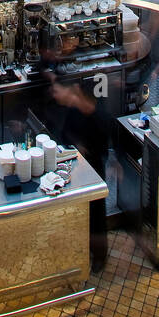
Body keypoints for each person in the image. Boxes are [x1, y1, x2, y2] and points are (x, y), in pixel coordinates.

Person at [48, 78, 112, 269]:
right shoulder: (75, 111)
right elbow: (65, 133)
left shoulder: (101, 118)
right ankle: (81, 248)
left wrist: (86, 150)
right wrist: (76, 145)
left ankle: (100, 256)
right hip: (76, 168)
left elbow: (104, 150)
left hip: (95, 171)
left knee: (97, 215)